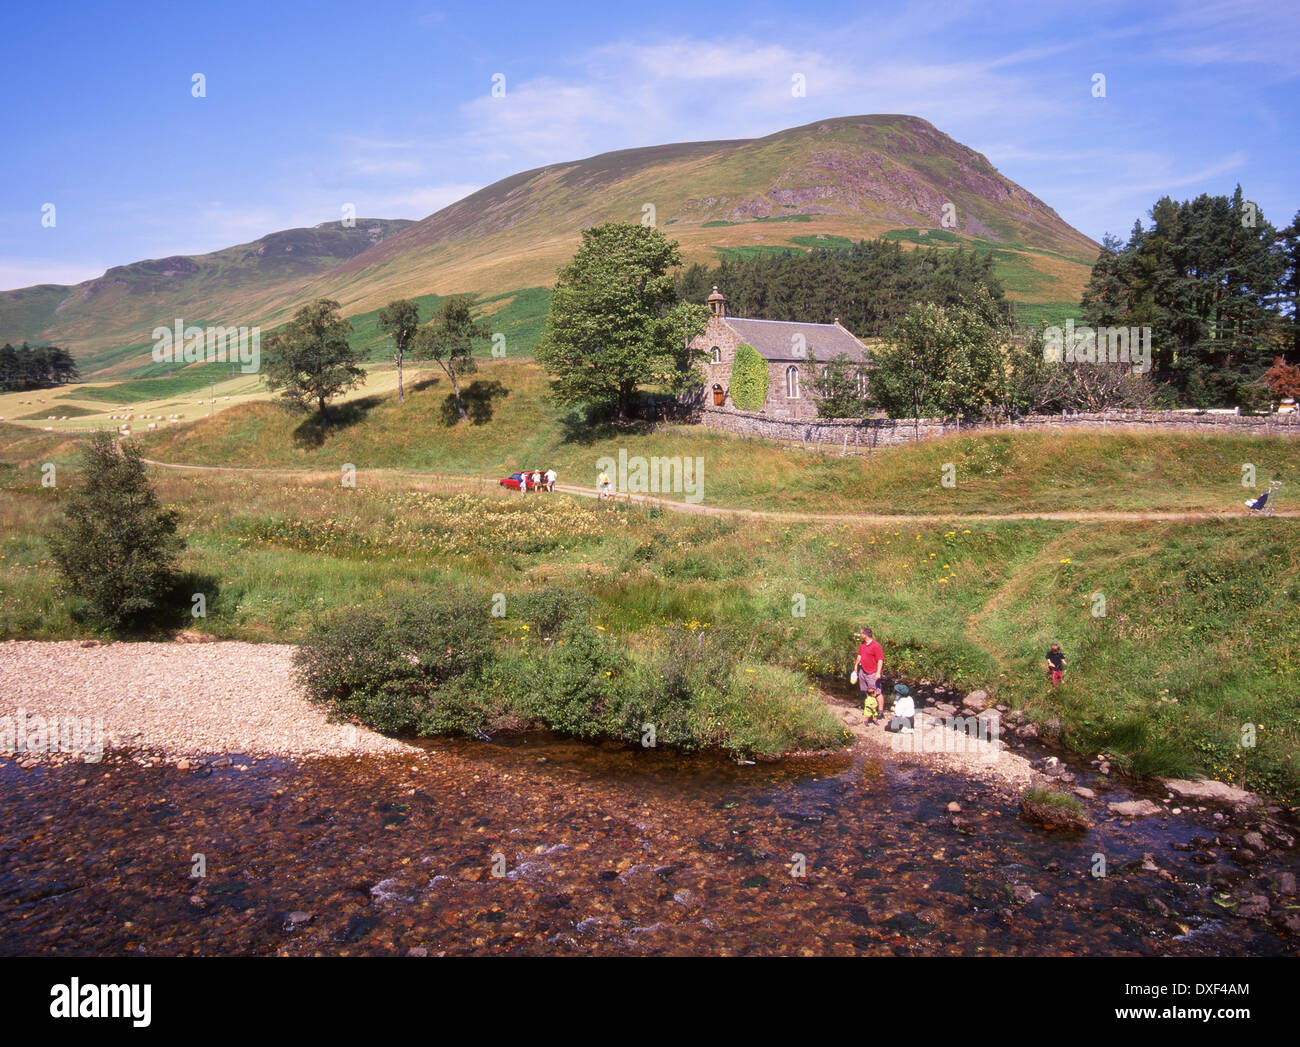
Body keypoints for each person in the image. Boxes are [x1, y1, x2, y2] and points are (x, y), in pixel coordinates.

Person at [855, 627, 884, 694]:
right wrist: (856, 665)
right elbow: (859, 655)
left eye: (861, 633)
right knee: (866, 691)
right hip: (863, 671)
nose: (860, 635)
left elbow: (880, 660)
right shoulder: (863, 644)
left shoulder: (876, 645)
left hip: (872, 673)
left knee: (876, 693)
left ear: (864, 635)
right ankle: (869, 704)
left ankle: (880, 705)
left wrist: (878, 673)